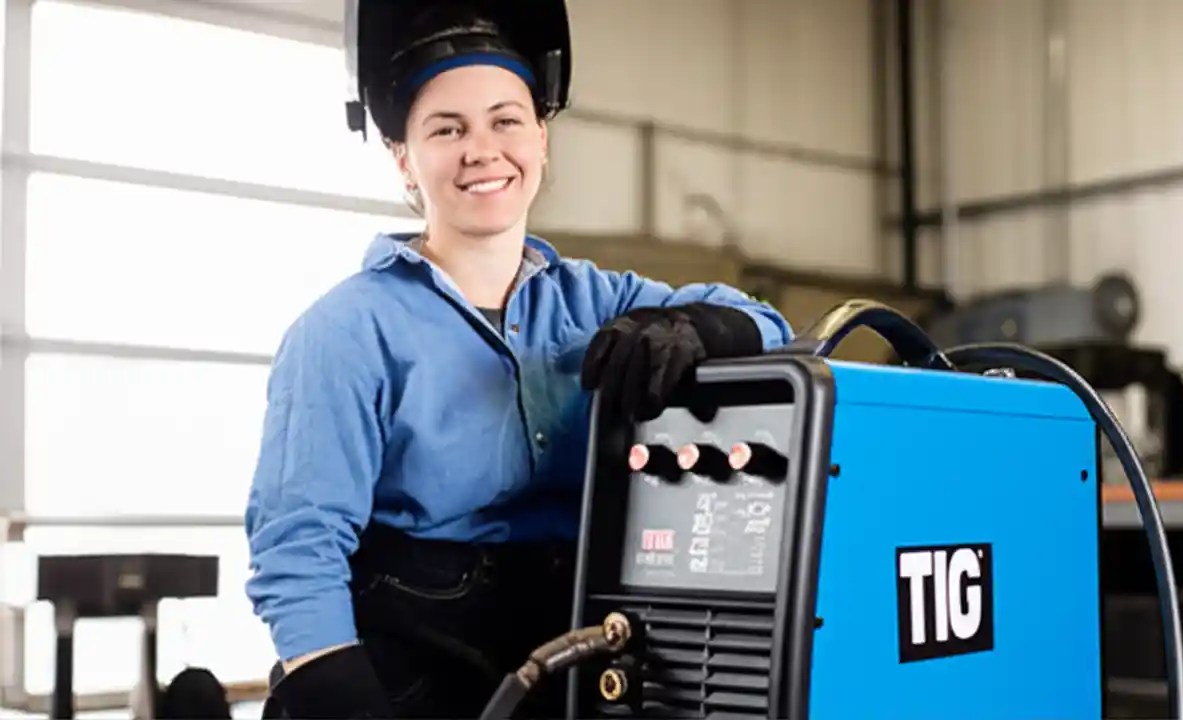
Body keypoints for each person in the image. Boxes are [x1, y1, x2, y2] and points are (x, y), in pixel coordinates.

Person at [244, 1, 794, 717]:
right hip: (407, 669)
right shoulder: (345, 332)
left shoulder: (599, 300)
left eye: (506, 120)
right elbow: (297, 549)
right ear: (403, 157)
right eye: (447, 129)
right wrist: (342, 697)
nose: (483, 150)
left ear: (542, 139)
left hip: (573, 649)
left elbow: (770, 326)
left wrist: (699, 326)